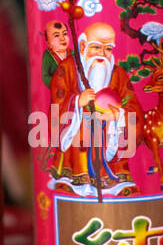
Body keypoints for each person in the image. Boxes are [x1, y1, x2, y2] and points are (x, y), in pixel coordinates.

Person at [46, 22, 138, 195]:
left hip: (107, 135)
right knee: (83, 132)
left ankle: (112, 180)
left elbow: (132, 106)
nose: (102, 55)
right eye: (96, 47)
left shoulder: (117, 74)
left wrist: (116, 116)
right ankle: (77, 179)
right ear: (82, 46)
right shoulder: (67, 70)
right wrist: (76, 102)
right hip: (78, 140)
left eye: (108, 49)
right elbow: (57, 100)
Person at [40, 19, 70, 86]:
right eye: (56, 35)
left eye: (65, 34)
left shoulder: (72, 53)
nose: (62, 38)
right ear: (48, 43)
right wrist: (56, 83)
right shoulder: (48, 55)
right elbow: (45, 76)